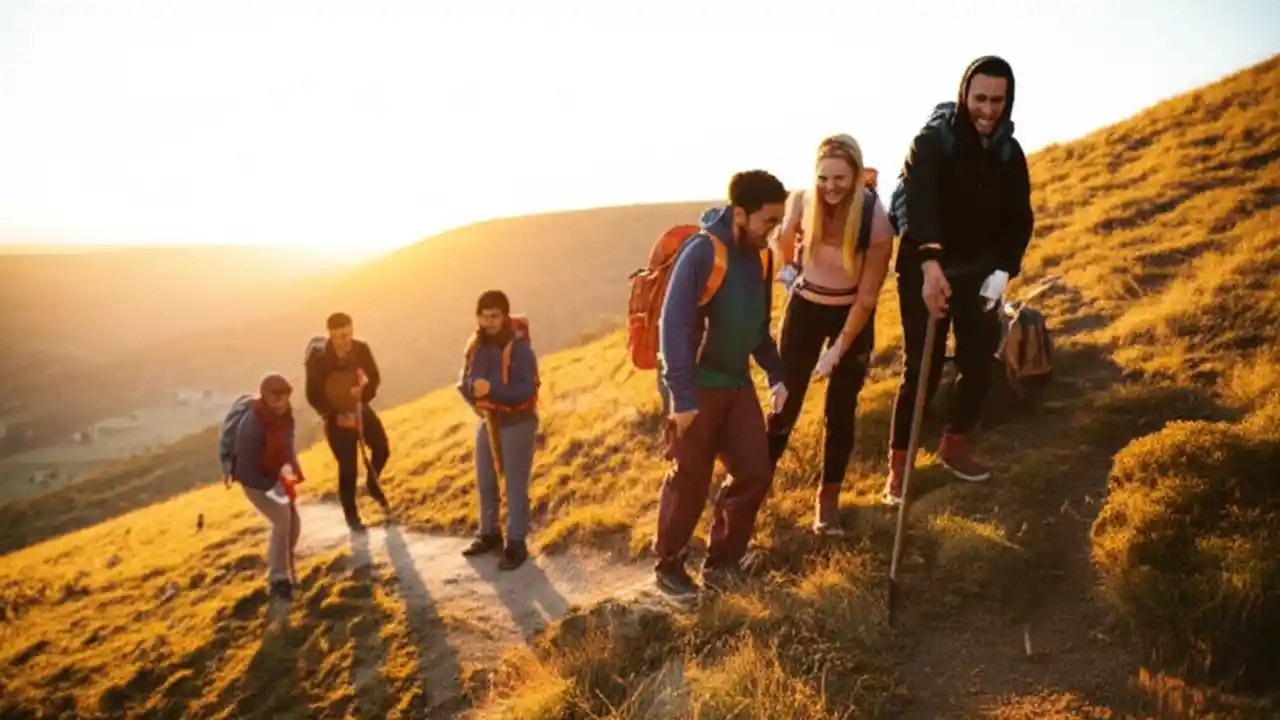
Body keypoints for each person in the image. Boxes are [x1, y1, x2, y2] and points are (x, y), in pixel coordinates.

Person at [883, 55, 1035, 505]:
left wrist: (1004, 270)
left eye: (997, 100)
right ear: (964, 94)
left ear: (1008, 101)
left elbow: (1018, 218)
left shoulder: (1010, 152)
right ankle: (899, 469)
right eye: (980, 98)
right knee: (922, 370)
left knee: (977, 360)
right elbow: (919, 203)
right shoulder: (931, 142)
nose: (988, 109)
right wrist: (930, 267)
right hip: (923, 266)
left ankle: (956, 443)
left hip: (978, 271)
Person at [652, 169, 789, 597]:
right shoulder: (703, 251)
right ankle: (668, 564)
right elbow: (672, 325)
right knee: (689, 479)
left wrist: (777, 374)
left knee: (754, 470)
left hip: (736, 382)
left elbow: (759, 328)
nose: (774, 230)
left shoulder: (762, 256)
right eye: (769, 220)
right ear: (742, 213)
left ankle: (722, 563)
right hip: (695, 384)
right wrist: (681, 396)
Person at [766, 134, 895, 535]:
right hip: (805, 309)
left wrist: (838, 350)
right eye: (823, 178)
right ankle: (755, 486)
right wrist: (788, 269)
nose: (830, 187)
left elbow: (868, 297)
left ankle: (827, 501)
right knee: (784, 400)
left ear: (857, 176)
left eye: (840, 178)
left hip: (850, 316)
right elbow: (783, 238)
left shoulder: (876, 222)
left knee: (840, 410)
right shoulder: (802, 200)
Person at [456, 290, 540, 571]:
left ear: (504, 316)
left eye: (495, 316)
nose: (489, 321)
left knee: (515, 486)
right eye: (484, 316)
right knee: (486, 481)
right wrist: (475, 397)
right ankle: (489, 534)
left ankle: (516, 544)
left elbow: (526, 389)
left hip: (518, 422)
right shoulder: (475, 346)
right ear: (477, 317)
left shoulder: (520, 349)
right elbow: (464, 383)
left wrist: (492, 391)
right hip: (488, 421)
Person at [305, 312, 391, 531]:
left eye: (348, 335)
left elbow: (374, 377)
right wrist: (335, 414)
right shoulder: (319, 359)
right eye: (339, 337)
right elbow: (313, 394)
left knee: (382, 449)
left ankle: (372, 483)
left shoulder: (361, 348)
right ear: (330, 336)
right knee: (348, 468)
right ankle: (352, 515)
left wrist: (363, 392)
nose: (345, 342)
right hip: (335, 418)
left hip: (359, 406)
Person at [232, 373, 305, 601]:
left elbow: (287, 444)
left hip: (276, 475)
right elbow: (246, 469)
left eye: (285, 398)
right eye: (276, 399)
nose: (282, 403)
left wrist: (293, 470)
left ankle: (286, 562)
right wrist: (271, 485)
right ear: (265, 398)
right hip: (254, 482)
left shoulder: (285, 415)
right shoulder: (251, 427)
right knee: (282, 520)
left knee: (294, 522)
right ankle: (278, 580)